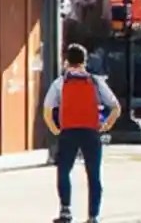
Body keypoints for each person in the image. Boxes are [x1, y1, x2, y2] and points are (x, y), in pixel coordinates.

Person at [43, 43, 120, 223]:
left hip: (68, 131)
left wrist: (55, 129)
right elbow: (115, 106)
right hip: (91, 132)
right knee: (93, 175)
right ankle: (93, 216)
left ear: (66, 61)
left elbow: (47, 110)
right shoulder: (96, 81)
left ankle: (65, 211)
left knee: (64, 171)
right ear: (85, 61)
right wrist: (106, 124)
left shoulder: (60, 82)